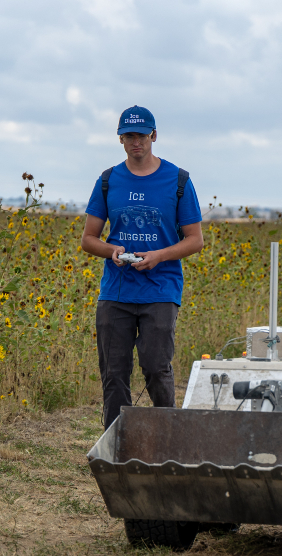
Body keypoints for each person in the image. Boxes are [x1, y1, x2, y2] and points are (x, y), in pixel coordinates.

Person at [80, 106, 205, 429]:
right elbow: (89, 239)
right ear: (121, 139)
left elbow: (195, 240)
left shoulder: (178, 181)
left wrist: (159, 256)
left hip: (161, 288)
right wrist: (112, 251)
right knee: (114, 372)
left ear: (154, 136)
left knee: (155, 366)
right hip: (116, 291)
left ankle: (168, 436)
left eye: (143, 135)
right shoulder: (108, 181)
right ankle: (117, 442)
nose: (137, 142)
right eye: (130, 136)